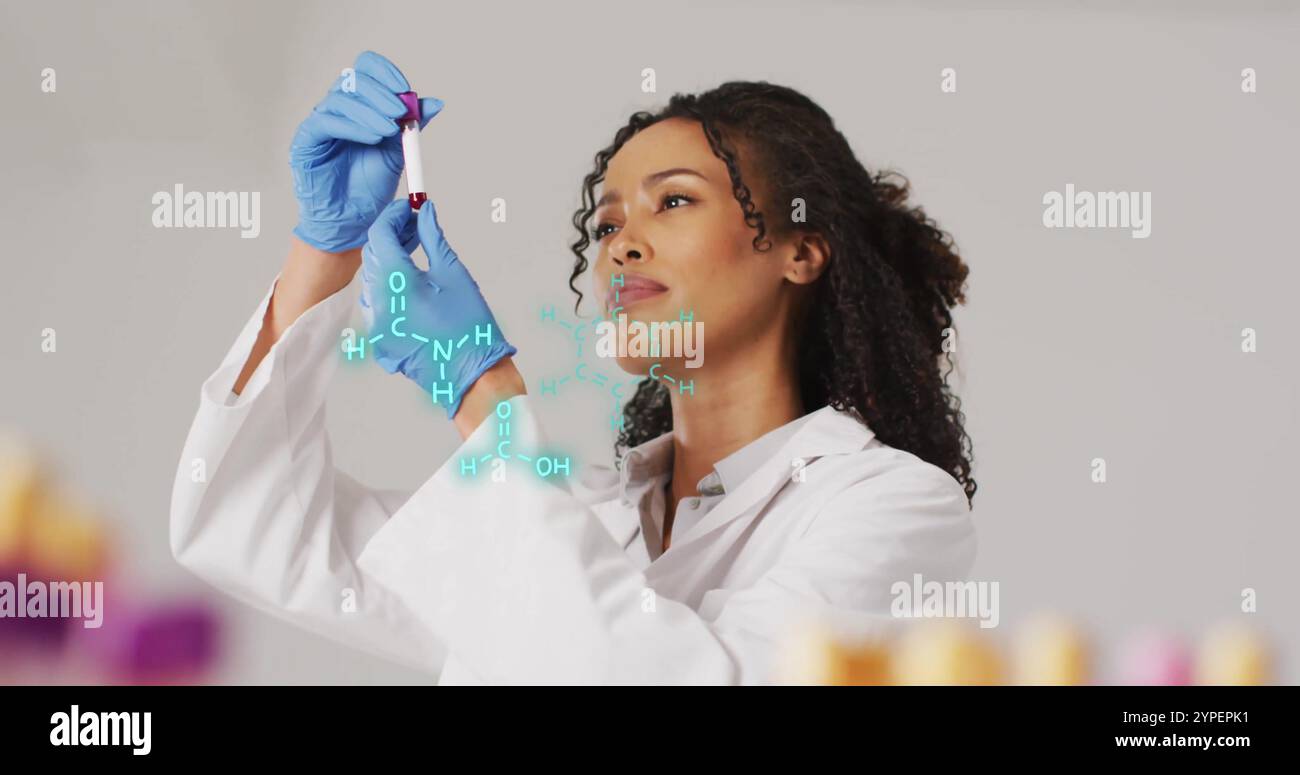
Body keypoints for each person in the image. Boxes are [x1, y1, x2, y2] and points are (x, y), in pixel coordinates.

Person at [170, 51, 979, 684]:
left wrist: (484, 393)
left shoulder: (894, 508)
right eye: (608, 220)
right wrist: (326, 247)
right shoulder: (583, 510)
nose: (620, 244)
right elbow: (255, 529)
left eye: (675, 200)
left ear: (801, 250)